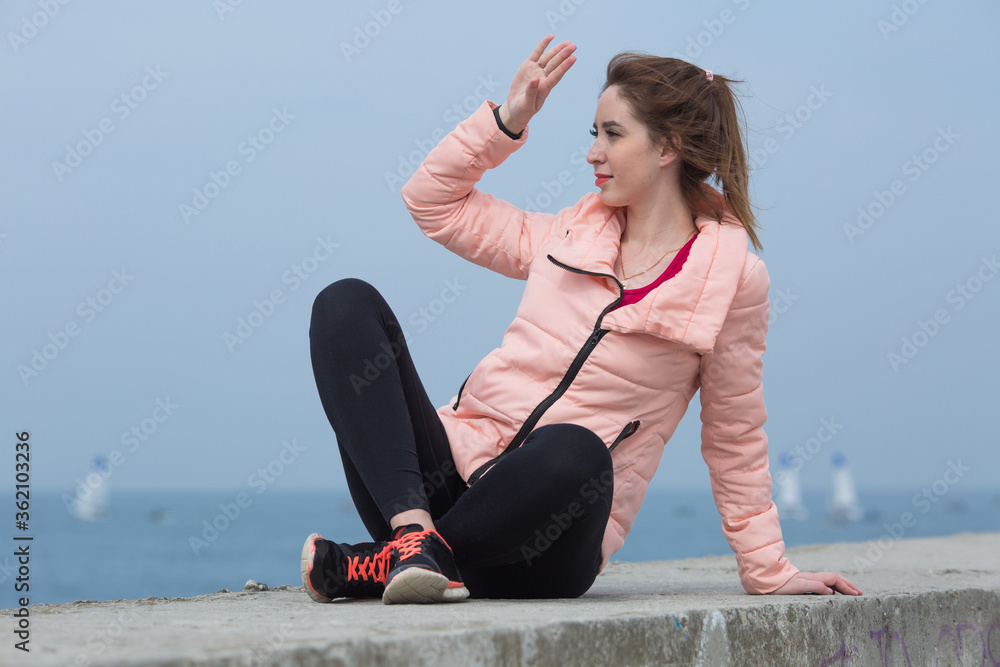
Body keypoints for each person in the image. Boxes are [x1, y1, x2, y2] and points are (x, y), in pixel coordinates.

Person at [302, 35, 862, 604]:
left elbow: (734, 435)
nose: (594, 151)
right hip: (437, 493)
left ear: (667, 147)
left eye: (612, 134)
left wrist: (768, 570)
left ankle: (396, 560)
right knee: (344, 304)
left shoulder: (731, 282)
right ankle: (411, 544)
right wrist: (508, 120)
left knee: (575, 449)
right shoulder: (566, 236)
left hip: (544, 542)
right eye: (593, 133)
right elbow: (431, 200)